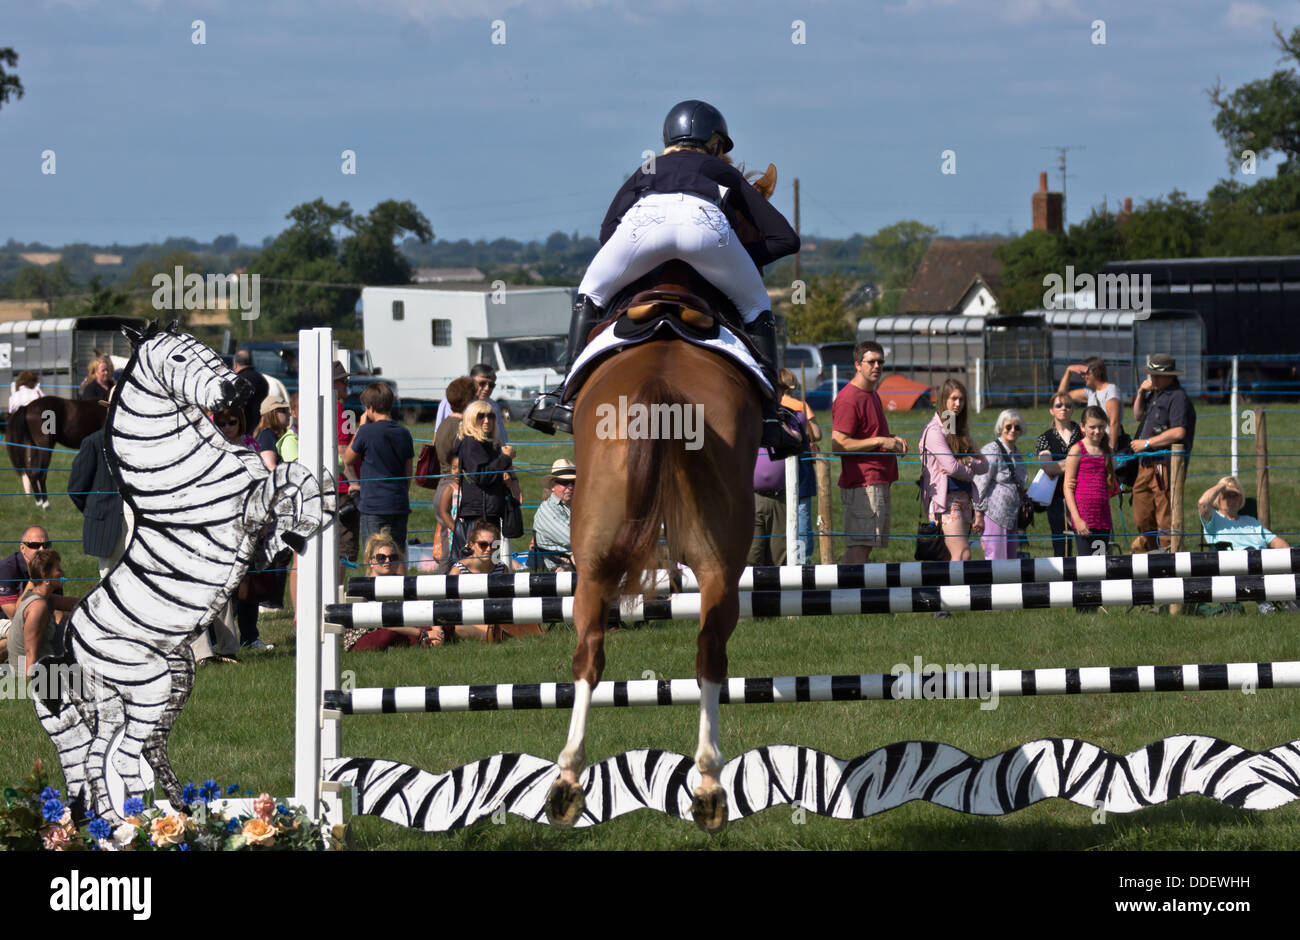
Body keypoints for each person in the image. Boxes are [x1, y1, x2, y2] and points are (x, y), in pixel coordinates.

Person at [524, 99, 801, 453]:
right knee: (757, 307)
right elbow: (785, 239)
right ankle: (770, 418)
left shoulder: (649, 167)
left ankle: (564, 397)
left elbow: (608, 231)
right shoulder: (723, 171)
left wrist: (642, 258)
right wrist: (733, 259)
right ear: (714, 144)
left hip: (644, 225)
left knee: (590, 294)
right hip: (706, 228)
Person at [832, 341, 907, 564]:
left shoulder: (872, 394)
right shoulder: (849, 398)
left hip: (877, 480)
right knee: (860, 547)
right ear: (857, 364)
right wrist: (880, 440)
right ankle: (847, 597)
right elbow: (838, 445)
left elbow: (869, 434)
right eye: (871, 361)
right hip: (862, 483)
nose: (877, 366)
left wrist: (891, 439)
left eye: (881, 362)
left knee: (864, 547)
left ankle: (840, 592)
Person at [1130, 354, 1197, 552]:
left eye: (1157, 376)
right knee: (1142, 512)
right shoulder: (1156, 393)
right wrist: (1141, 392)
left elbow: (1179, 432)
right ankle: (1149, 551)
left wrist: (1147, 443)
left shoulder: (1178, 397)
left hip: (1163, 464)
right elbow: (1137, 415)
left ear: (1170, 376)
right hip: (1146, 464)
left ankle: (1168, 555)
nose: (1153, 379)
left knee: (1164, 514)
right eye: (1151, 375)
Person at [919, 379, 989, 562]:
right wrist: (966, 468)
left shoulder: (955, 428)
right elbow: (951, 467)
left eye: (962, 400)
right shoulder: (934, 431)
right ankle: (961, 591)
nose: (958, 404)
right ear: (943, 400)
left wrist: (966, 462)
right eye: (954, 399)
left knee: (950, 556)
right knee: (963, 554)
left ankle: (946, 590)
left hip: (965, 498)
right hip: (946, 502)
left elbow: (984, 465)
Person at [344, 533, 447, 650]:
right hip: (369, 634)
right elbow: (387, 624)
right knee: (388, 634)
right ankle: (418, 641)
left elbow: (426, 602)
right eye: (381, 558)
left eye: (392, 558)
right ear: (371, 562)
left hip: (400, 628)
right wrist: (422, 633)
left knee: (444, 626)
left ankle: (418, 641)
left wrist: (436, 629)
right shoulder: (362, 586)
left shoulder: (402, 581)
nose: (387, 561)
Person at [344, 382, 415, 551]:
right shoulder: (404, 433)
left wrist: (361, 427)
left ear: (370, 407)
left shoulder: (366, 432)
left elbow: (348, 458)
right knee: (396, 555)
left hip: (373, 505)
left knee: (374, 557)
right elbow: (408, 471)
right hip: (398, 503)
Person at [452, 400, 515, 561]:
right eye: (481, 416)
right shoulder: (471, 442)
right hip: (479, 513)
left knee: (491, 560)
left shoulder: (488, 443)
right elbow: (482, 476)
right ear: (471, 419)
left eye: (491, 416)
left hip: (489, 510)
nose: (487, 420)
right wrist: (505, 459)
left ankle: (492, 583)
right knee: (478, 561)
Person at [67, 425, 127, 579]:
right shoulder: (94, 442)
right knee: (109, 578)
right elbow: (76, 488)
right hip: (111, 524)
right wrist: (98, 512)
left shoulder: (144, 440)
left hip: (142, 523)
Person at [973, 409, 1028, 561]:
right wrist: (978, 514)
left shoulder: (1017, 454)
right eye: (1008, 426)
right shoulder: (992, 450)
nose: (1013, 431)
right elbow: (980, 483)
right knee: (995, 559)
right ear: (1000, 428)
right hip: (994, 514)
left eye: (1017, 427)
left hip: (1012, 516)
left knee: (1010, 561)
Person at [1064, 406, 1118, 558]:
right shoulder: (1077, 450)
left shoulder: (1107, 451)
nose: (1097, 431)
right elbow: (1067, 488)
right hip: (1083, 517)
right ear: (1082, 427)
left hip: (1102, 517)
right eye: (1092, 427)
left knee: (1100, 564)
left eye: (1101, 427)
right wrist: (1077, 518)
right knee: (1086, 565)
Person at [779, 369, 822, 562]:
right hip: (801, 463)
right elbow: (817, 434)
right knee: (802, 512)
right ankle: (802, 556)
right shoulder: (800, 406)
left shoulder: (772, 405)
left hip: (775, 465)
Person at [1035, 392, 1084, 558]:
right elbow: (1048, 467)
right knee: (1061, 546)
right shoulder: (1044, 438)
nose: (1063, 408)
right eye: (1059, 405)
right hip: (1056, 498)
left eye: (1068, 405)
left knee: (1087, 540)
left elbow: (1092, 459)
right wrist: (1076, 461)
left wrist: (1062, 464)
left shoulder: (1083, 432)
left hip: (1083, 494)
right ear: (1051, 410)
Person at [7, 549, 70, 676]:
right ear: (45, 574)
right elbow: (30, 651)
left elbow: (80, 604)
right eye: (58, 570)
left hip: (41, 665)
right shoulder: (38, 606)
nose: (63, 573)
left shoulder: (43, 597)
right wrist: (30, 685)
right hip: (30, 672)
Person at [1057, 357, 1123, 451]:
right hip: (1093, 444)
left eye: (1085, 373)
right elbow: (1061, 397)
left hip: (1105, 444)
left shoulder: (1111, 390)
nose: (1083, 376)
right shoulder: (1090, 392)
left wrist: (1110, 449)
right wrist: (1068, 371)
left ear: (1095, 372)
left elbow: (1114, 422)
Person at [436, 366, 509, 444]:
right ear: (471, 381)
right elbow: (438, 432)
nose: (487, 388)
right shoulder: (451, 401)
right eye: (482, 383)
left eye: (491, 385)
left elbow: (500, 437)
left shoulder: (493, 406)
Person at [532, 458, 576, 572]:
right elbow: (573, 539)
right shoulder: (546, 511)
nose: (570, 487)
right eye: (564, 482)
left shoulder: (575, 506)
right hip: (560, 570)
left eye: (573, 482)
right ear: (553, 485)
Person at [434, 376, 477, 472]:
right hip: (458, 482)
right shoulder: (466, 428)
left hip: (444, 481)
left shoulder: (443, 424)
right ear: (470, 399)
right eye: (476, 397)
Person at [433, 455, 461, 569]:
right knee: (454, 559)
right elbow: (444, 512)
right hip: (454, 532)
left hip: (469, 531)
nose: (457, 472)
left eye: (461, 468)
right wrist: (454, 528)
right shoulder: (449, 489)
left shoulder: (470, 488)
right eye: (454, 468)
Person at [233, 349, 270, 433]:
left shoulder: (237, 381)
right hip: (259, 427)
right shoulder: (261, 379)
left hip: (243, 428)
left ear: (235, 364)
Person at [253, 395, 292, 472]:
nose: (289, 414)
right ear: (273, 413)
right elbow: (270, 467)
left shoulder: (268, 434)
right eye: (284, 411)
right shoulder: (267, 435)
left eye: (288, 410)